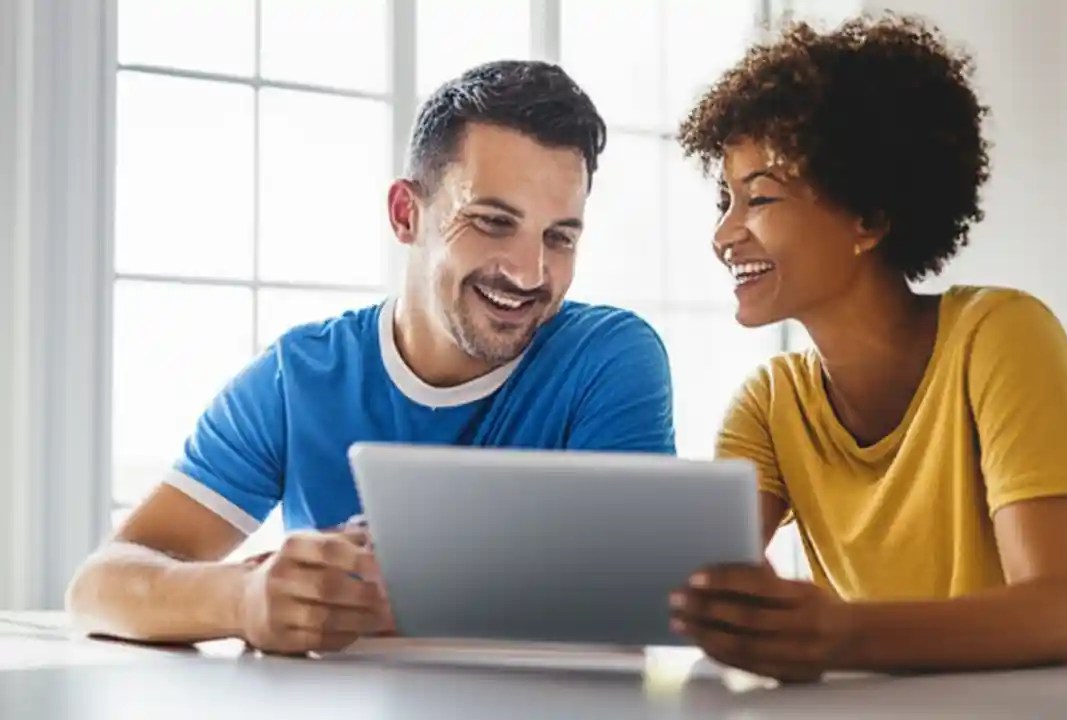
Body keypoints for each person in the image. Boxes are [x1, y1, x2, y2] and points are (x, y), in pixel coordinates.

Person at [67, 61, 675, 654]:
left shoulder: (609, 360)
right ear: (407, 214)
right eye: (492, 222)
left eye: (559, 237)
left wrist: (402, 596)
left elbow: (636, 591)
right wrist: (244, 600)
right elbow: (99, 586)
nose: (529, 271)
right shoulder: (299, 377)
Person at [666, 14, 1067, 681]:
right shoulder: (769, 405)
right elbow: (709, 589)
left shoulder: (1001, 336)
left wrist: (837, 635)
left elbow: (1061, 616)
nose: (724, 234)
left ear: (869, 217)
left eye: (760, 198)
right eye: (725, 199)